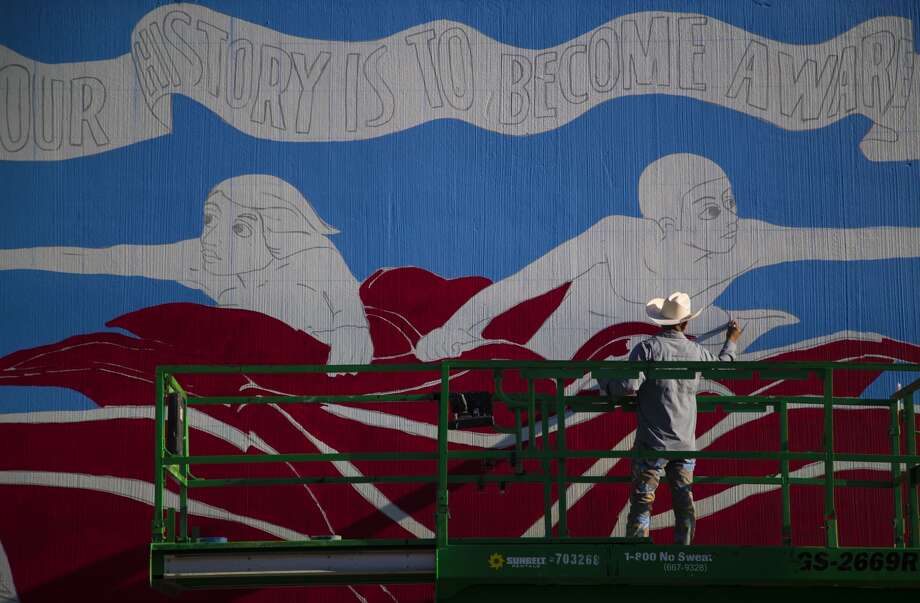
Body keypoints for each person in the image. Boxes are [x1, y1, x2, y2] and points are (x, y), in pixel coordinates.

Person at [416, 153, 920, 361]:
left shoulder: (747, 239)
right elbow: (520, 285)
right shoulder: (613, 238)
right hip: (569, 367)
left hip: (655, 389)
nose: (729, 218)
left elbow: (846, 242)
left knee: (721, 328)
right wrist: (452, 332)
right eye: (709, 210)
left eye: (729, 203)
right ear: (667, 224)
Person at [0, 174, 373, 366]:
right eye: (209, 220)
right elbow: (104, 259)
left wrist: (350, 335)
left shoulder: (311, 253)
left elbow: (350, 311)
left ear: (270, 230)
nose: (211, 237)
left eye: (237, 228)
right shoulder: (204, 259)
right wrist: (13, 258)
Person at [600, 291, 742, 544]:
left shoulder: (647, 349)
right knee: (684, 501)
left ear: (660, 322)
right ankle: (683, 556)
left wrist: (605, 382)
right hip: (685, 444)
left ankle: (637, 555)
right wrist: (731, 340)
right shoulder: (695, 352)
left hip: (652, 444)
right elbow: (724, 368)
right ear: (685, 323)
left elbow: (629, 386)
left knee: (643, 502)